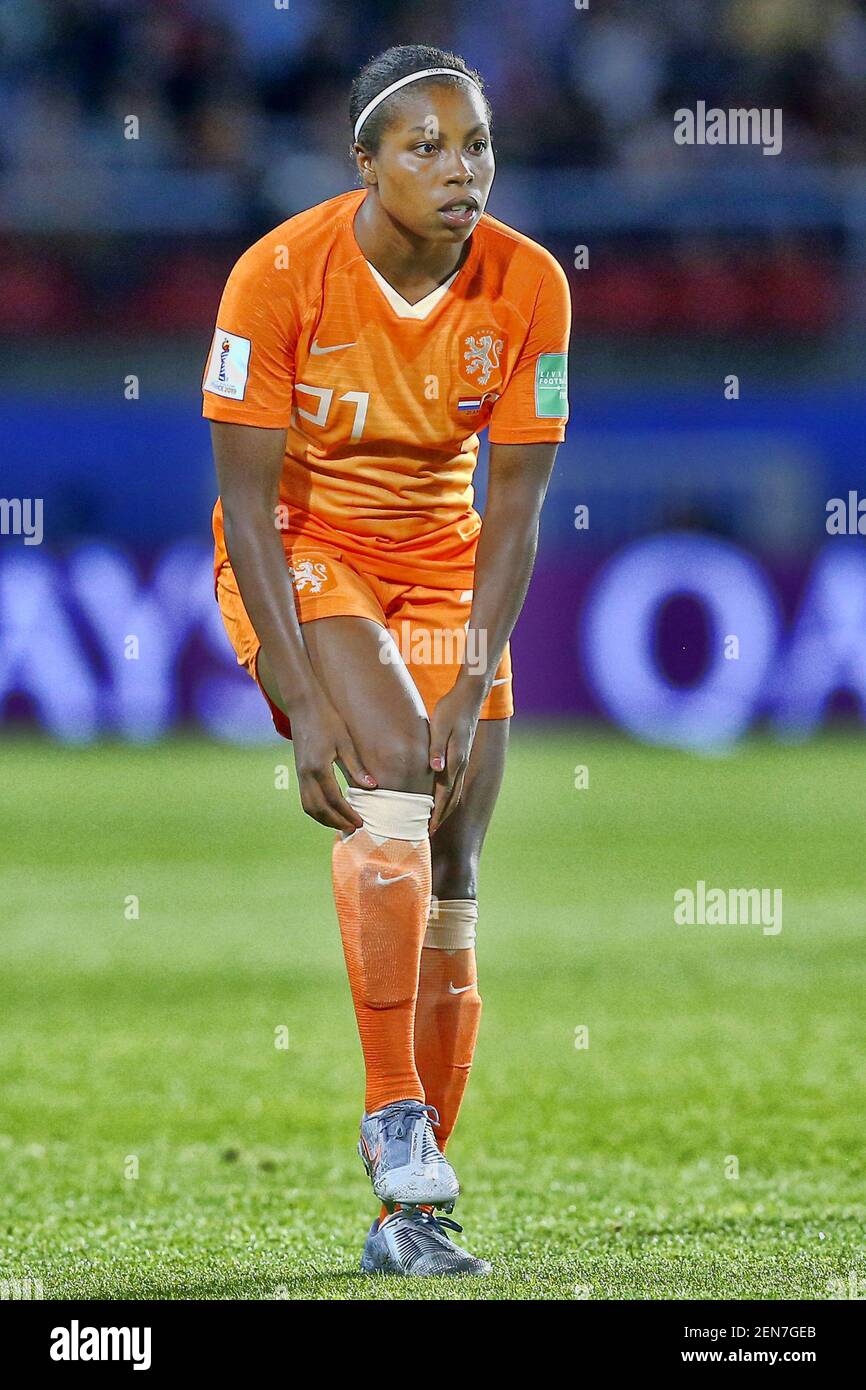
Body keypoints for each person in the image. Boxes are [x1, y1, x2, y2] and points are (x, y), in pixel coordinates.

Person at [202, 43, 570, 1277]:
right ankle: (391, 1114)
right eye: (424, 146)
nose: (458, 169)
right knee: (401, 774)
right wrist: (301, 702)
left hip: (443, 560)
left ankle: (406, 1219)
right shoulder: (278, 275)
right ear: (362, 162)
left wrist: (472, 674)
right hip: (308, 552)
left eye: (473, 145)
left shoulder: (528, 287)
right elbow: (248, 508)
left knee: (454, 869)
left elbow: (515, 510)